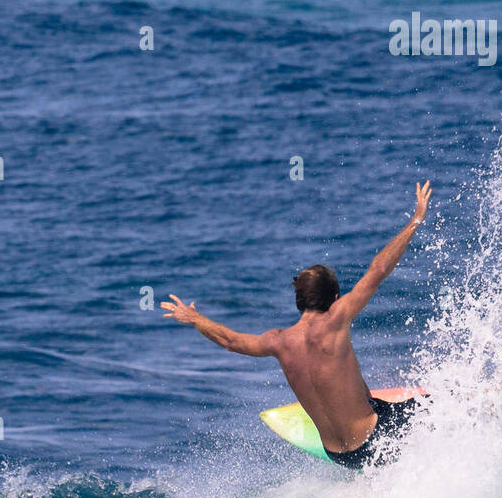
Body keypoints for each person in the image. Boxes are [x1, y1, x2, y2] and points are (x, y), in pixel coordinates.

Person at [162, 181, 432, 468]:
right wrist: (415, 220)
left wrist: (195, 318)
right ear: (335, 298)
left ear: (299, 301)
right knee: (437, 408)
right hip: (372, 439)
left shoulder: (278, 341)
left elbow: (230, 341)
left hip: (339, 455)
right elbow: (378, 270)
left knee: (375, 402)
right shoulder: (336, 319)